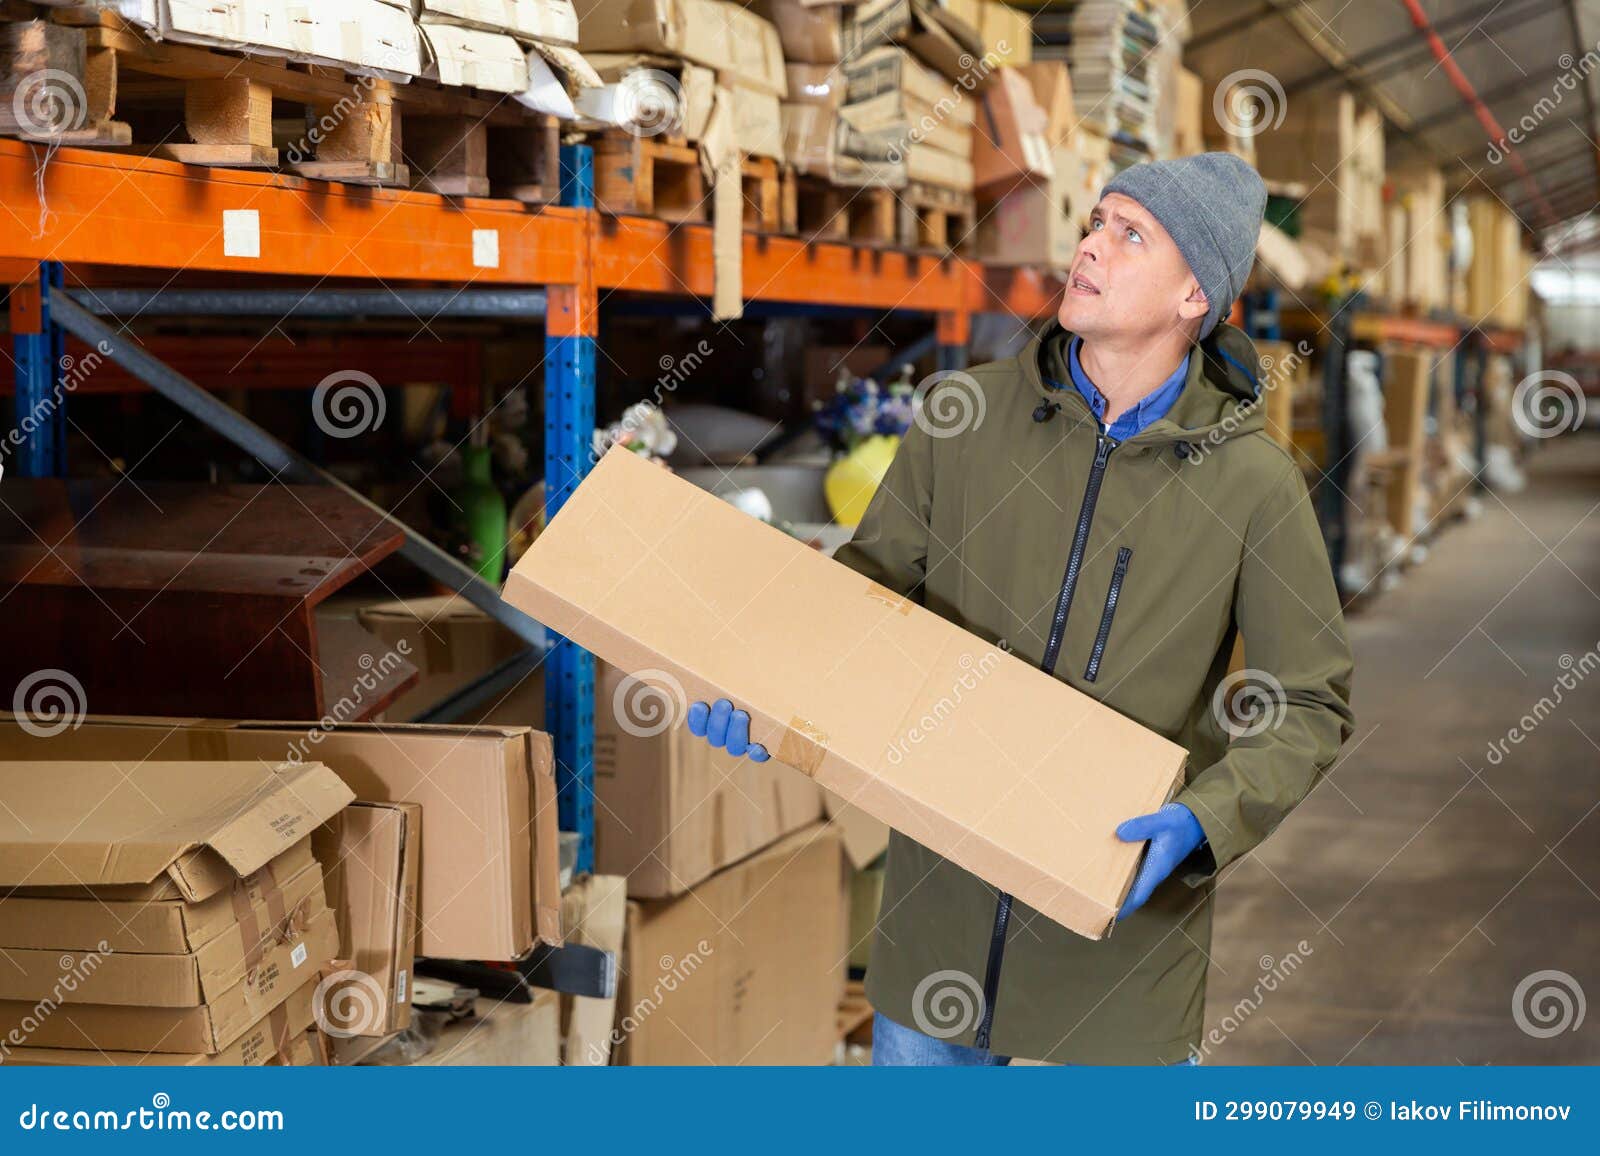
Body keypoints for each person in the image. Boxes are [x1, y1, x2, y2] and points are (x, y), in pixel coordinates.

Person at [686, 153, 1356, 1065]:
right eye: (1094, 222)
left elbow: (1308, 705)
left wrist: (1210, 816)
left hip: (1119, 953)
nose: (1089, 248)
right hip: (939, 932)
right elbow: (870, 597)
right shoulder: (963, 415)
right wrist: (769, 690)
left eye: (1130, 234)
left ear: (1195, 293)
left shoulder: (1252, 486)